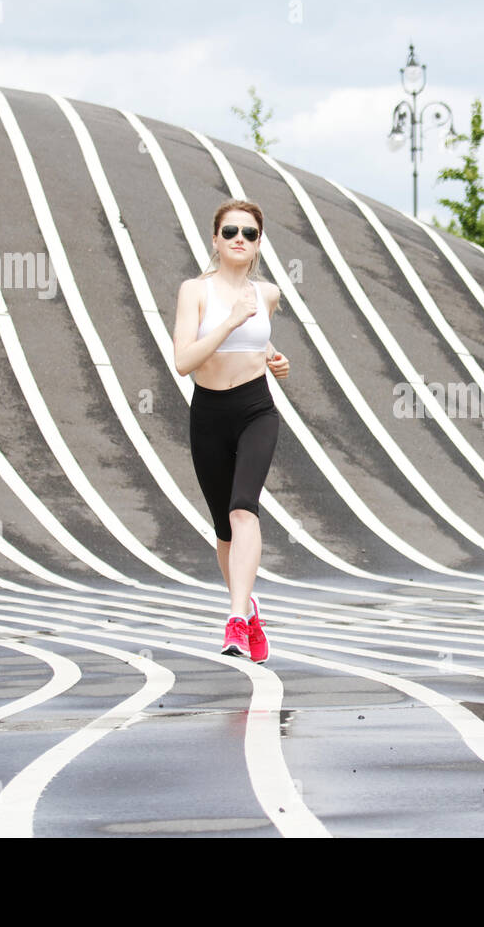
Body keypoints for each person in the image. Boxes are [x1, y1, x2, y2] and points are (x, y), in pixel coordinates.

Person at [172, 199, 289, 662]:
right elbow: (184, 361)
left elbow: (257, 339)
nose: (240, 239)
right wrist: (230, 320)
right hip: (209, 413)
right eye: (231, 232)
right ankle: (248, 608)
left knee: (245, 510)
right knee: (224, 529)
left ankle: (237, 619)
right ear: (215, 239)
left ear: (258, 244)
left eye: (250, 233)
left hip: (255, 409)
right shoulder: (195, 292)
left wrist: (274, 358)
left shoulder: (269, 294)